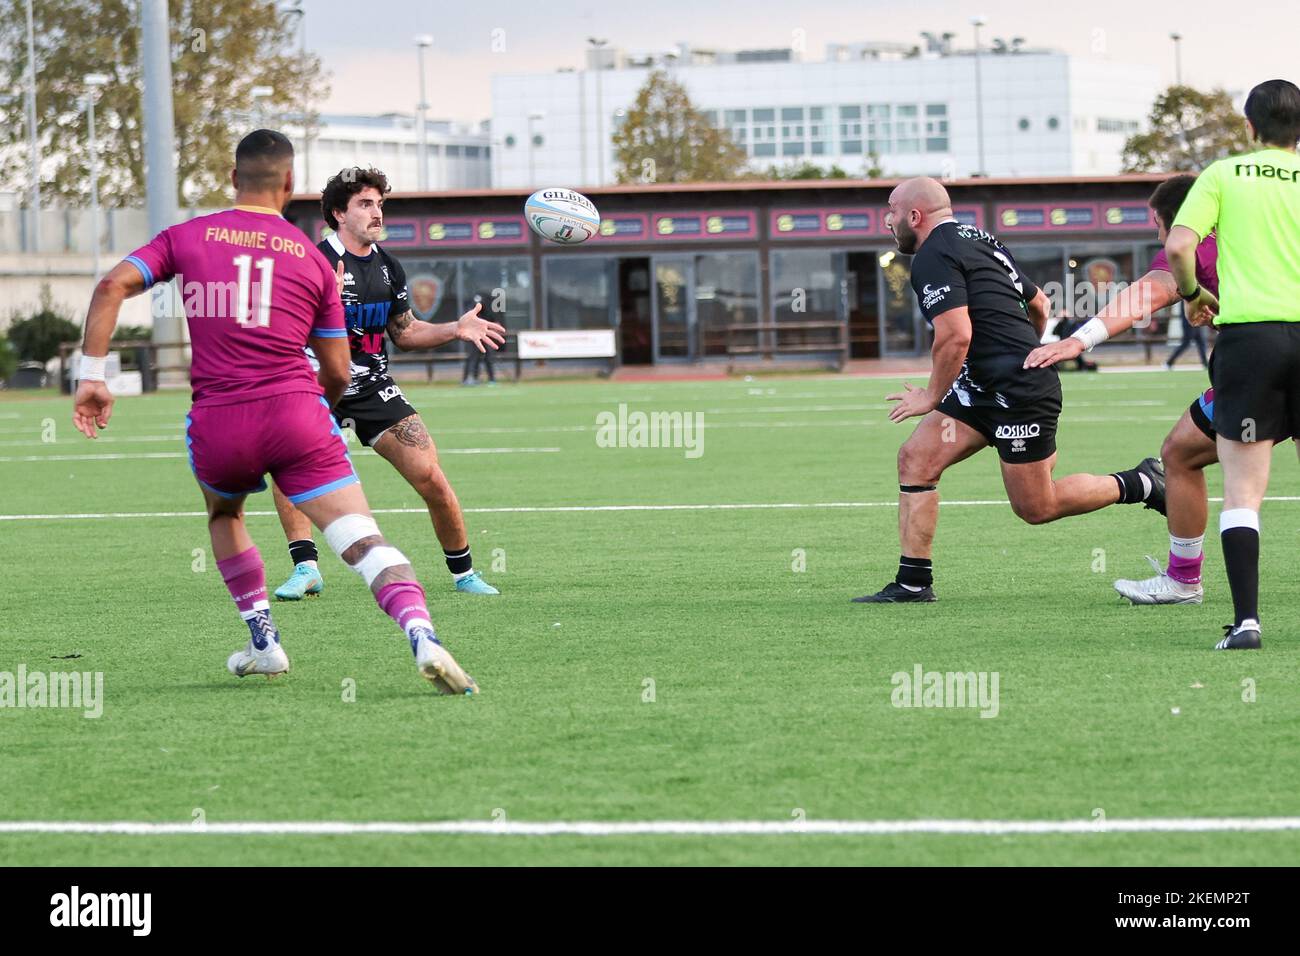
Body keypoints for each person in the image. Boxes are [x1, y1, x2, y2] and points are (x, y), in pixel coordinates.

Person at [72, 130, 477, 693]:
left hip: (218, 421)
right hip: (297, 414)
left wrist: (93, 377)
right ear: (289, 185)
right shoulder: (314, 262)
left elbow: (112, 285)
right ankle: (421, 633)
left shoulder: (186, 236)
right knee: (362, 538)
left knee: (226, 516)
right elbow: (337, 371)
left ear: (233, 179)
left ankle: (264, 642)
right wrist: (317, 415)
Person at [855, 177, 1165, 604]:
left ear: (914, 216)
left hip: (1018, 392)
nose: (887, 221)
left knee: (1037, 507)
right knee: (916, 459)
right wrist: (1024, 348)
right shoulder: (981, 239)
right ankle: (913, 583)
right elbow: (1039, 304)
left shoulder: (931, 256)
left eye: (891, 211)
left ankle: (1143, 482)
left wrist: (931, 394)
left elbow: (955, 336)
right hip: (982, 386)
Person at [270, 166, 505, 601]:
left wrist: (455, 328)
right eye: (365, 204)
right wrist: (323, 302)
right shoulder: (311, 263)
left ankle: (464, 574)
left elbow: (405, 332)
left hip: (374, 388)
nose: (376, 213)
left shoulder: (388, 266)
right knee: (287, 468)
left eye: (380, 204)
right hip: (316, 386)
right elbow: (280, 330)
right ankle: (305, 568)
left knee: (431, 477)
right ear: (338, 214)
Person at [1026, 173, 1220, 606]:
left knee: (1180, 454)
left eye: (1157, 223)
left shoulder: (1196, 241)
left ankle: (1184, 581)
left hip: (1261, 366)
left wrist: (1082, 339)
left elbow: (1147, 293)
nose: (1158, 234)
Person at [1165, 79, 1300, 650]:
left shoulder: (1223, 174)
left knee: (1244, 493)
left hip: (1250, 342)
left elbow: (1177, 246)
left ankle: (1246, 624)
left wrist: (1194, 293)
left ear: (1249, 127)